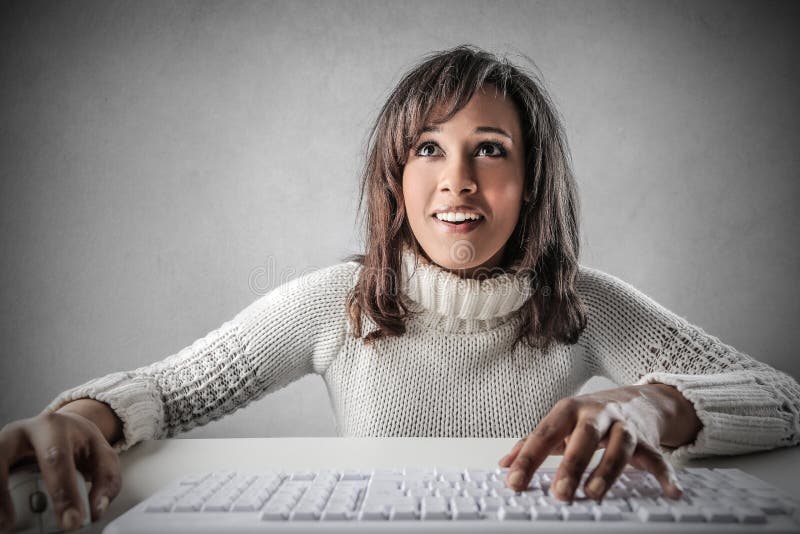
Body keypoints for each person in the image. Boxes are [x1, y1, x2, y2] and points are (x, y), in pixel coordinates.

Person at [1, 44, 798, 532]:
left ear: (530, 181)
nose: (457, 182)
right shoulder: (334, 304)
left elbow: (783, 399)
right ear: (394, 177)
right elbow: (167, 394)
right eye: (426, 149)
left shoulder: (586, 304)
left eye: (489, 149)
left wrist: (654, 404)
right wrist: (78, 417)